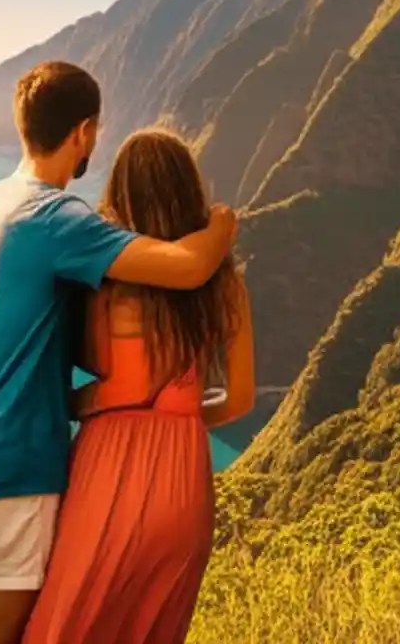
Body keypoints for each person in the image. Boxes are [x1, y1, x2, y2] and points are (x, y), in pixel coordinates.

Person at [0, 62, 237, 644]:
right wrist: (223, 225)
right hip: (21, 461)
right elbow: (188, 267)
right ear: (83, 133)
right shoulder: (56, 218)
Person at [22, 129, 255, 644]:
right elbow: (239, 398)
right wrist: (178, 413)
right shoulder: (224, 283)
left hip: (105, 471)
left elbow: (66, 370)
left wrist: (97, 402)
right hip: (184, 481)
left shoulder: (101, 283)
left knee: (69, 622)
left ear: (119, 193)